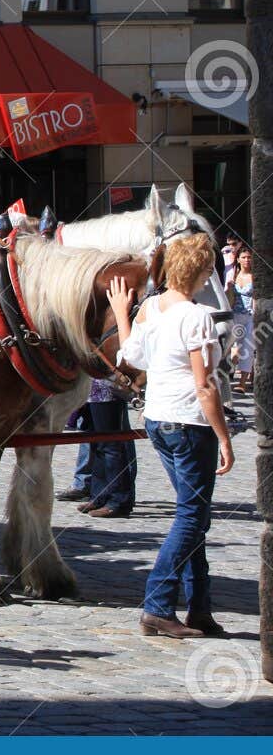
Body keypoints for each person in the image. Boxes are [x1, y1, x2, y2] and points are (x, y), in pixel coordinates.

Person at [108, 232, 235, 639]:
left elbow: (129, 357)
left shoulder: (151, 308)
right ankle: (158, 604)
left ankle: (200, 607)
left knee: (193, 515)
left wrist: (124, 316)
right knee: (192, 516)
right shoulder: (197, 316)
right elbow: (206, 386)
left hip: (158, 419)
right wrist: (226, 437)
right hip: (189, 422)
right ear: (202, 271)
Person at [75, 377, 136, 518]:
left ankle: (119, 501)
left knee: (111, 447)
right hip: (91, 392)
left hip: (107, 391)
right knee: (97, 446)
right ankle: (99, 496)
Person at [226, 245, 254, 394]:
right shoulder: (233, 276)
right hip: (235, 314)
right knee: (232, 349)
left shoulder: (255, 276)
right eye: (244, 257)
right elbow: (229, 298)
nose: (247, 260)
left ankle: (242, 382)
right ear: (238, 259)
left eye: (249, 257)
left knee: (247, 349)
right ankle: (230, 376)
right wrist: (229, 288)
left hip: (250, 315)